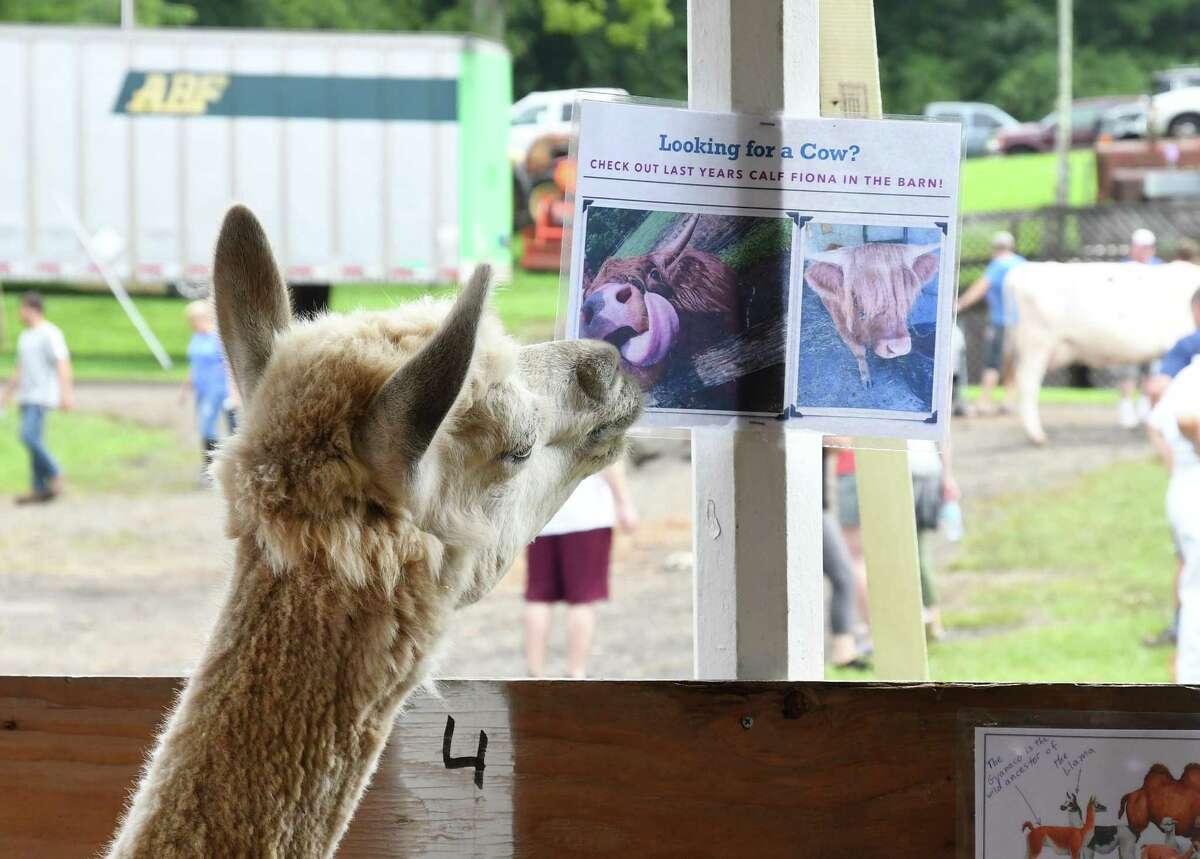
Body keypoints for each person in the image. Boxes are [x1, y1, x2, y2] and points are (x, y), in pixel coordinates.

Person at [524, 462, 638, 678]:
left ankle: (534, 673)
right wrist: (624, 503)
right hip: (587, 516)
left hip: (542, 517)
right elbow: (610, 460)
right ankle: (575, 673)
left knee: (538, 597)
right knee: (582, 600)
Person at [1146, 357, 1200, 682]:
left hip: (1185, 485)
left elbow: (1156, 423)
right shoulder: (1194, 376)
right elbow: (1187, 419)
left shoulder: (1187, 374)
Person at [0, 291, 73, 504]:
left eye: (21, 308)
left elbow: (62, 363)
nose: (19, 313)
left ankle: (55, 471)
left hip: (42, 396)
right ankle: (38, 488)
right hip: (27, 396)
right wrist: (6, 394)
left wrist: (66, 393)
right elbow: (20, 369)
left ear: (32, 308)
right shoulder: (26, 336)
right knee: (34, 441)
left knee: (28, 436)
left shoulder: (50, 333)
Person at [956, 231, 1025, 415]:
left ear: (995, 248)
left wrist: (960, 304)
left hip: (1000, 321)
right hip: (1021, 323)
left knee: (992, 361)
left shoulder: (998, 265)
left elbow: (981, 287)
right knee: (1012, 361)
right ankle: (1009, 400)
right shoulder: (1021, 264)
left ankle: (985, 401)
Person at [179, 301, 236, 483]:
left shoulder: (218, 338)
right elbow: (195, 365)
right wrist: (185, 388)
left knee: (231, 428)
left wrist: (234, 392)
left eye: (197, 317)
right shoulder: (197, 337)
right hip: (203, 391)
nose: (194, 322)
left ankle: (230, 469)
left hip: (220, 389)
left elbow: (231, 365)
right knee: (206, 428)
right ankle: (210, 468)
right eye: (191, 319)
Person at [1116, 228, 1166, 427]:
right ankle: (1127, 405)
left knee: (1151, 370)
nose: (1144, 251)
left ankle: (1146, 407)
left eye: (1148, 247)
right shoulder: (1123, 269)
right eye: (1140, 247)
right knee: (1128, 369)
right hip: (1129, 329)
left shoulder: (1160, 268)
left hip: (1153, 329)